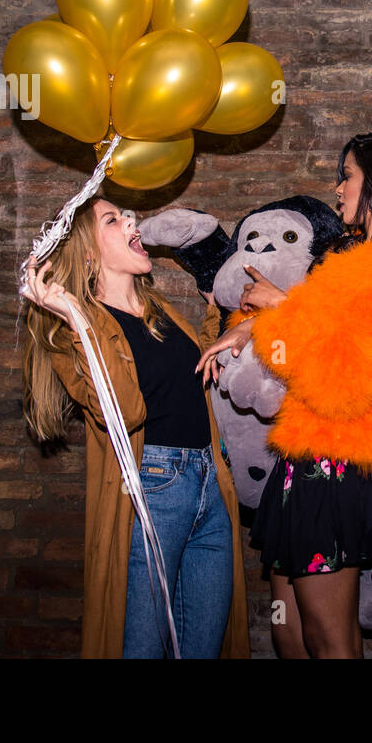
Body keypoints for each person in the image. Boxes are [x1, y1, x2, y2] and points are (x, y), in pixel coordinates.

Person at [201, 131, 372, 659]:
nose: (337, 189)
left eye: (348, 175)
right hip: (304, 459)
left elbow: (345, 385)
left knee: (329, 640)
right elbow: (313, 328)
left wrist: (276, 309)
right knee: (289, 633)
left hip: (337, 463)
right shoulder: (354, 262)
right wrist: (247, 325)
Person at [21, 197, 250, 659]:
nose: (131, 221)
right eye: (113, 219)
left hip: (210, 484)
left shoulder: (157, 310)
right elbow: (125, 411)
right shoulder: (71, 335)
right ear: (87, 251)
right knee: (141, 649)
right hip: (153, 491)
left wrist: (226, 322)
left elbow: (200, 373)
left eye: (127, 215)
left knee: (203, 648)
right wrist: (77, 317)